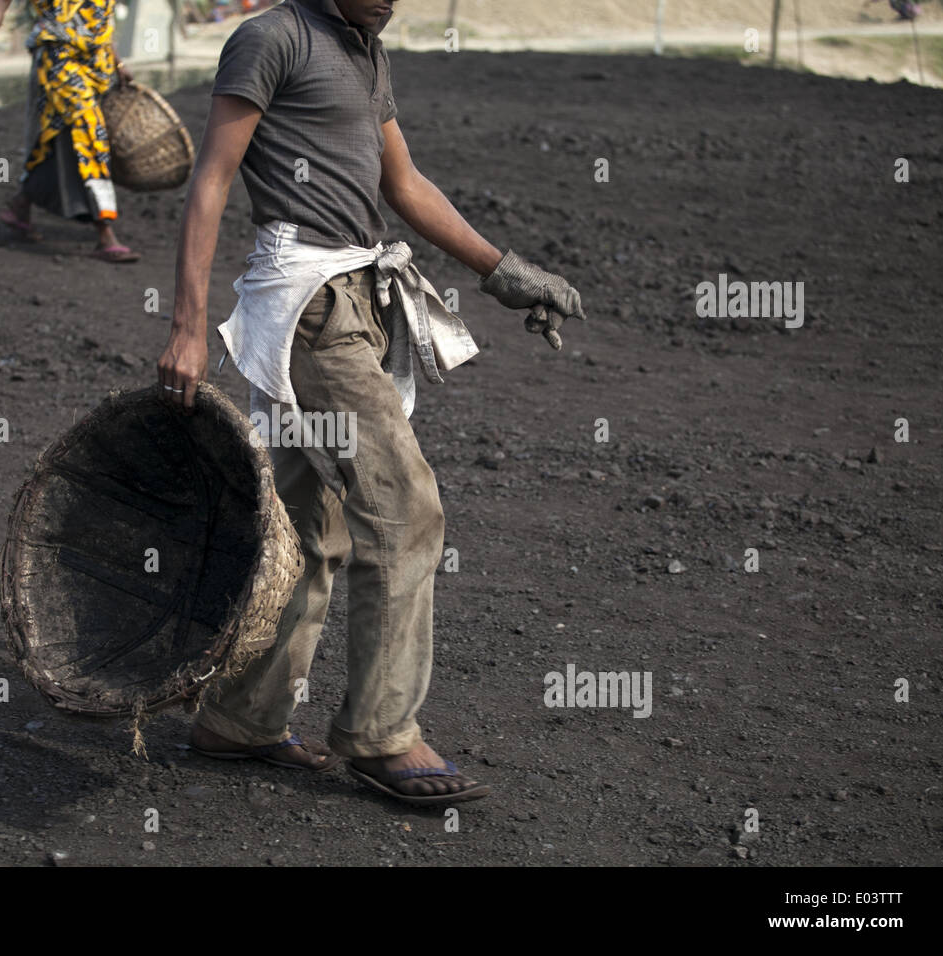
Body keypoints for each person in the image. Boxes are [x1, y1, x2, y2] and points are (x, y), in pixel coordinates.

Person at [158, 0, 586, 805]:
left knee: (303, 526)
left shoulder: (364, 51)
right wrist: (186, 326)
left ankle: (240, 719)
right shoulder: (272, 37)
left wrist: (506, 272)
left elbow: (403, 182)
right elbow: (210, 181)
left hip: (351, 295)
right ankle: (382, 734)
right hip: (311, 309)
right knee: (404, 509)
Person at [0, 0, 140, 263]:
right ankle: (105, 231)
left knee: (58, 135)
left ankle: (20, 207)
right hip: (58, 56)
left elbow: (100, 16)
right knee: (89, 133)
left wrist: (117, 63)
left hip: (96, 62)